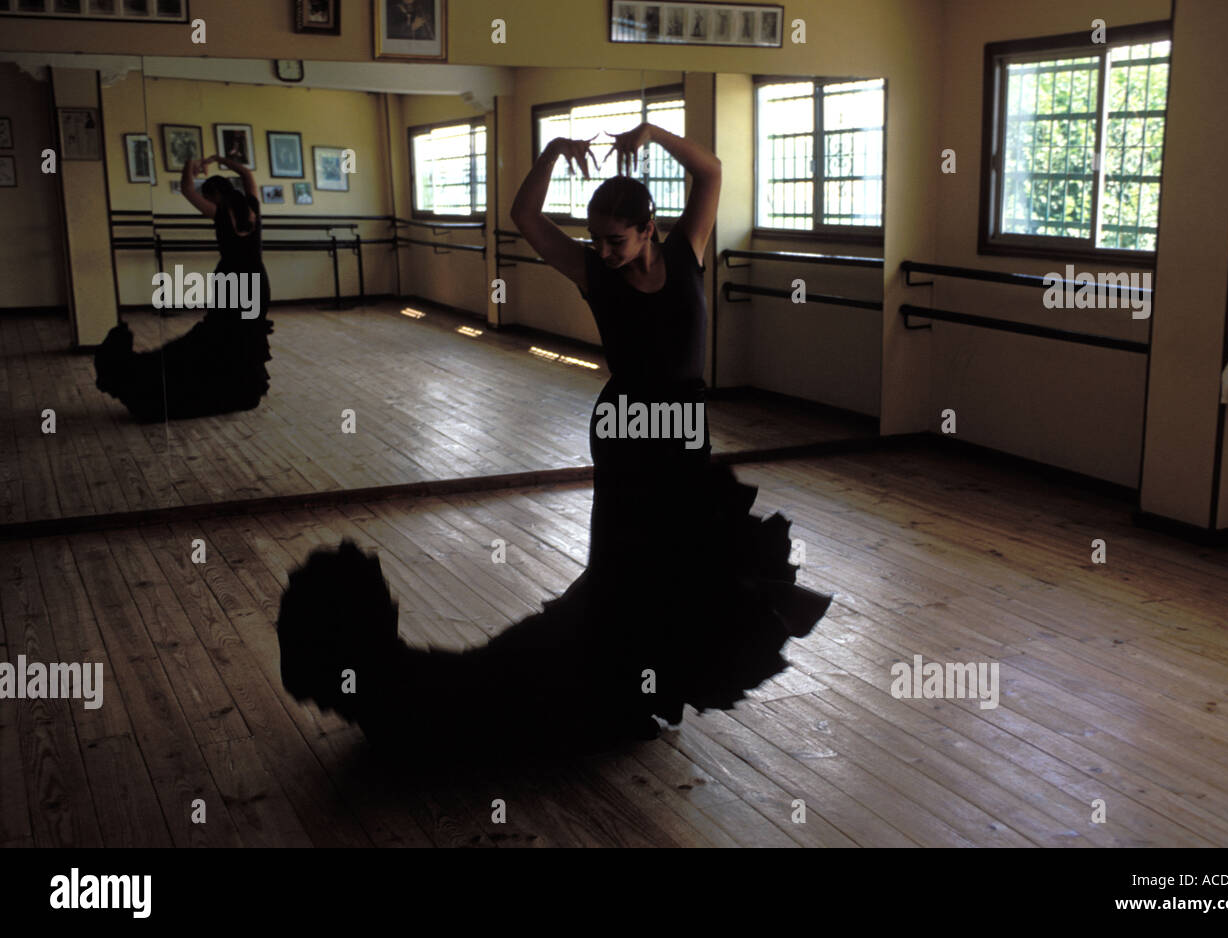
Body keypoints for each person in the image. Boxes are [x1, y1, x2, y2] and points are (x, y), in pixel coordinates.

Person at [274, 122, 831, 760]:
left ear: (650, 228)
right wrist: (551, 152)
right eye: (596, 238)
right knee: (626, 562)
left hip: (682, 424)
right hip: (627, 428)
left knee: (683, 552)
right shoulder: (594, 272)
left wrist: (652, 133)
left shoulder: (686, 252)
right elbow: (523, 215)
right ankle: (611, 679)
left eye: (616, 238)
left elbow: (710, 173)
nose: (604, 249)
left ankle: (647, 670)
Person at [94, 154, 274, 421]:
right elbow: (247, 174)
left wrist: (192, 162)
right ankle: (241, 388)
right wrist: (223, 159)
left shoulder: (219, 212)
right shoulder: (252, 207)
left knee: (220, 334)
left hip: (230, 280)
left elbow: (187, 189)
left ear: (214, 194)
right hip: (256, 280)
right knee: (245, 335)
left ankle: (197, 384)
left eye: (209, 196)